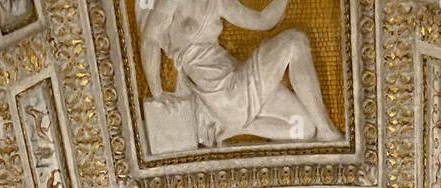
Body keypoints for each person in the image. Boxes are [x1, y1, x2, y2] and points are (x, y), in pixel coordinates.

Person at [137, 0, 342, 152]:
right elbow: (150, 39)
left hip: (233, 81)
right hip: (221, 90)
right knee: (294, 41)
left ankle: (231, 127)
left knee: (304, 127)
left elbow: (263, 20)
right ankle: (327, 131)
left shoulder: (216, 1)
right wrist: (157, 92)